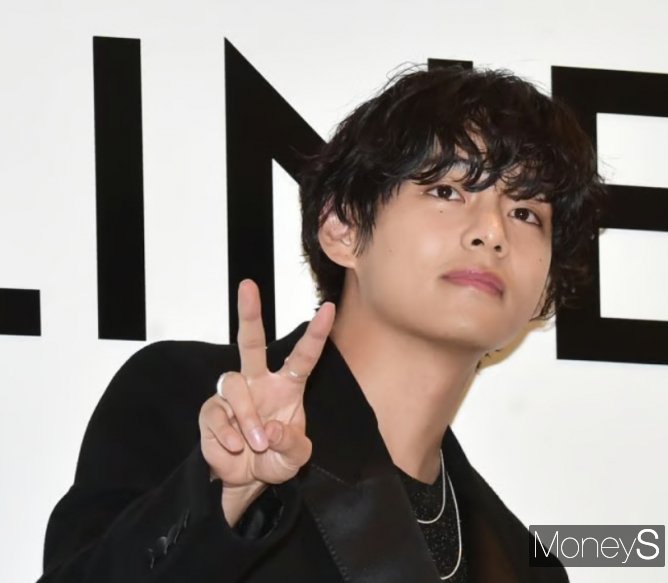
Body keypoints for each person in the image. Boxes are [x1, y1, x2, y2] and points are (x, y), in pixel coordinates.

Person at [39, 66, 606, 582]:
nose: (493, 232)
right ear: (343, 229)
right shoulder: (188, 400)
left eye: (526, 212)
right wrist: (221, 496)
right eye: (446, 190)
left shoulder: (521, 563)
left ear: (544, 286)